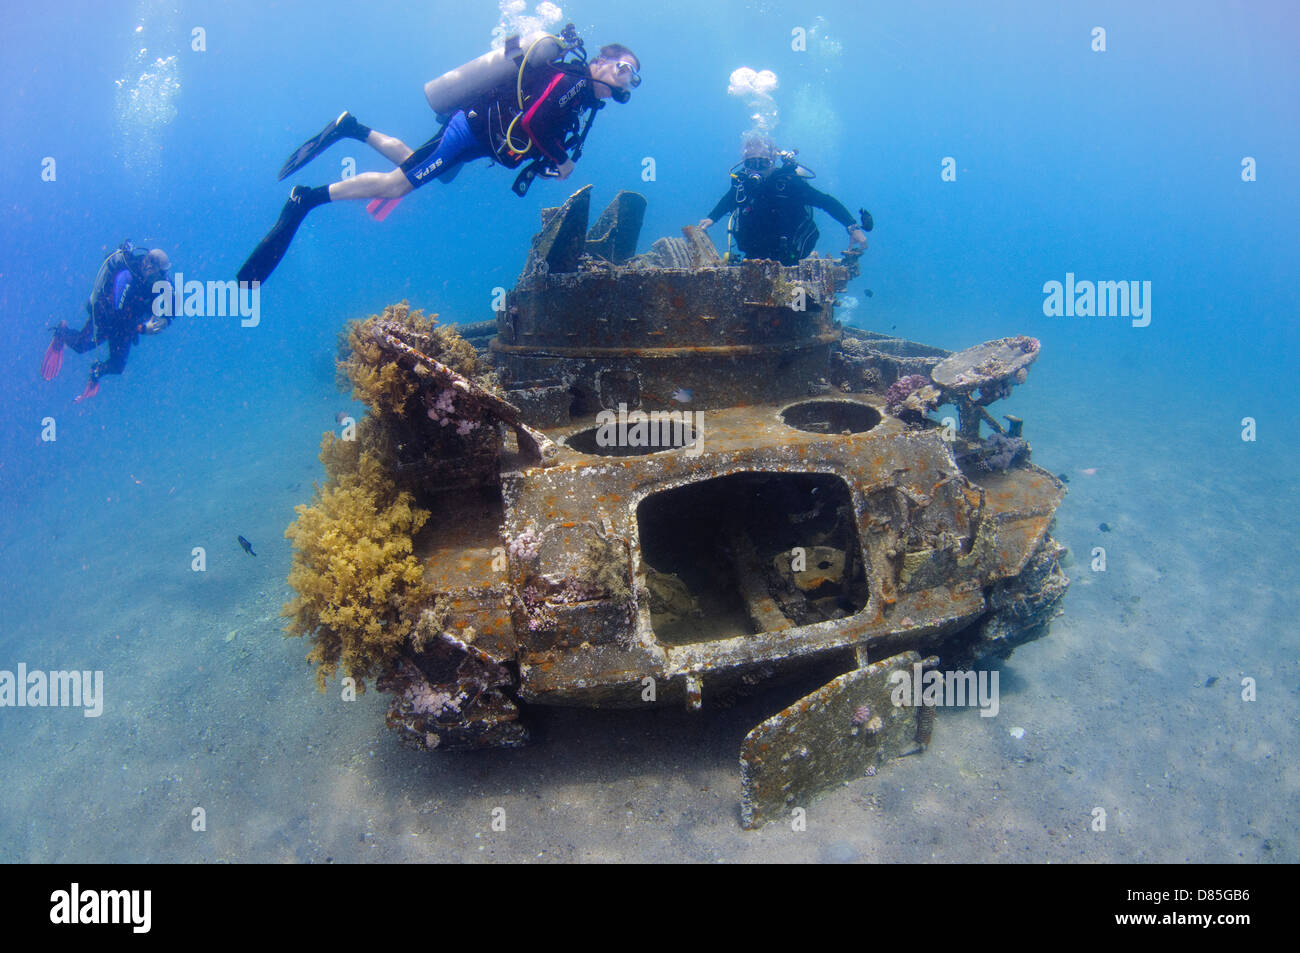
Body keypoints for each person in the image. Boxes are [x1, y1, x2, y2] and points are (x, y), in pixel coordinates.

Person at [237, 36, 642, 285]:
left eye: (633, 78)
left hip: (477, 136)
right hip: (471, 129)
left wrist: (548, 159)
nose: (627, 80)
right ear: (602, 62)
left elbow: (536, 124)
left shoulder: (582, 95)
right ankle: (305, 198)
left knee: (417, 164)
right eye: (625, 69)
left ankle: (352, 128)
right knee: (398, 184)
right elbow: (534, 121)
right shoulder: (574, 84)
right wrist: (560, 160)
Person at [698, 135, 870, 266]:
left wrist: (852, 227)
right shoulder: (742, 184)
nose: (756, 170)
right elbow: (730, 200)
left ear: (772, 161)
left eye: (762, 163)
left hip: (790, 255)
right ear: (744, 163)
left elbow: (825, 202)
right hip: (754, 255)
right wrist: (712, 218)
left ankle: (799, 306)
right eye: (751, 163)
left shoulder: (789, 183)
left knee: (798, 305)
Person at [41, 241, 173, 402]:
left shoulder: (162, 282)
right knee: (81, 346)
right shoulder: (128, 276)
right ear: (145, 263)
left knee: (118, 366)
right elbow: (117, 313)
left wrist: (166, 319)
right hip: (105, 318)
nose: (149, 268)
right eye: (148, 263)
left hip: (127, 327)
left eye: (158, 271)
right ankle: (61, 333)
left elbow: (173, 302)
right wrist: (141, 328)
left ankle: (96, 372)